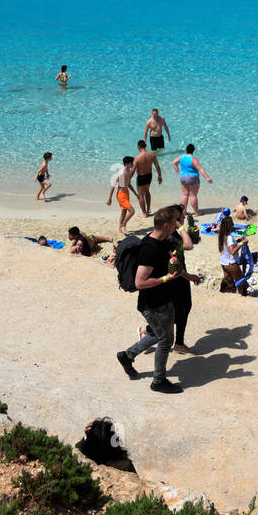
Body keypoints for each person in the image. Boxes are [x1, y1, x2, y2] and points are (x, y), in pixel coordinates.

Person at [116, 206, 182, 393]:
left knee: (157, 334)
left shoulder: (161, 242)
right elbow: (140, 282)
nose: (178, 225)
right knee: (165, 341)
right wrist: (166, 279)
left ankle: (127, 356)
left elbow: (172, 258)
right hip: (154, 304)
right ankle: (158, 381)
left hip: (162, 300)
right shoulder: (149, 248)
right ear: (167, 224)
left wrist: (184, 274)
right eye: (176, 221)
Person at [166, 205, 201, 354]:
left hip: (179, 277)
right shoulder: (171, 237)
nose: (184, 219)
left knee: (181, 309)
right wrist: (190, 276)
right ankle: (149, 331)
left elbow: (191, 243)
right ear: (176, 220)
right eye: (182, 218)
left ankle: (178, 342)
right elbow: (188, 246)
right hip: (176, 279)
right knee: (179, 310)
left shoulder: (172, 234)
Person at [171, 143, 213, 215]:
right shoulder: (193, 158)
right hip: (192, 177)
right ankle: (196, 213)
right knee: (193, 195)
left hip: (182, 176)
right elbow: (199, 169)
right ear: (193, 151)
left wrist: (177, 170)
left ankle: (183, 212)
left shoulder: (181, 157)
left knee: (185, 195)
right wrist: (207, 178)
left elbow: (174, 163)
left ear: (186, 150)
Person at [218, 216, 249, 295]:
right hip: (231, 264)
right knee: (240, 282)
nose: (233, 224)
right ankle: (241, 297)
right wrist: (242, 243)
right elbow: (232, 251)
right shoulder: (229, 237)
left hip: (224, 263)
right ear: (229, 226)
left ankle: (223, 295)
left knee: (227, 282)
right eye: (232, 223)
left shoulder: (221, 235)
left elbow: (229, 246)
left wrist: (238, 240)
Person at [107, 157, 138, 236]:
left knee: (124, 212)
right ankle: (123, 226)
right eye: (131, 163)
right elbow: (114, 185)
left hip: (126, 193)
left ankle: (120, 228)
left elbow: (128, 184)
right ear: (127, 164)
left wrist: (135, 194)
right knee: (132, 211)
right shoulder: (122, 173)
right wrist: (110, 198)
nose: (133, 164)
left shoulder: (128, 171)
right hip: (121, 195)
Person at [131, 140, 162, 218]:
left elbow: (133, 170)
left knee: (141, 195)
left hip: (141, 177)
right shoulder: (152, 155)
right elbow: (157, 166)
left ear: (139, 147)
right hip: (149, 176)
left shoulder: (137, 158)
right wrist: (159, 176)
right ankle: (148, 210)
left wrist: (128, 179)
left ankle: (144, 213)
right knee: (147, 192)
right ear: (145, 146)